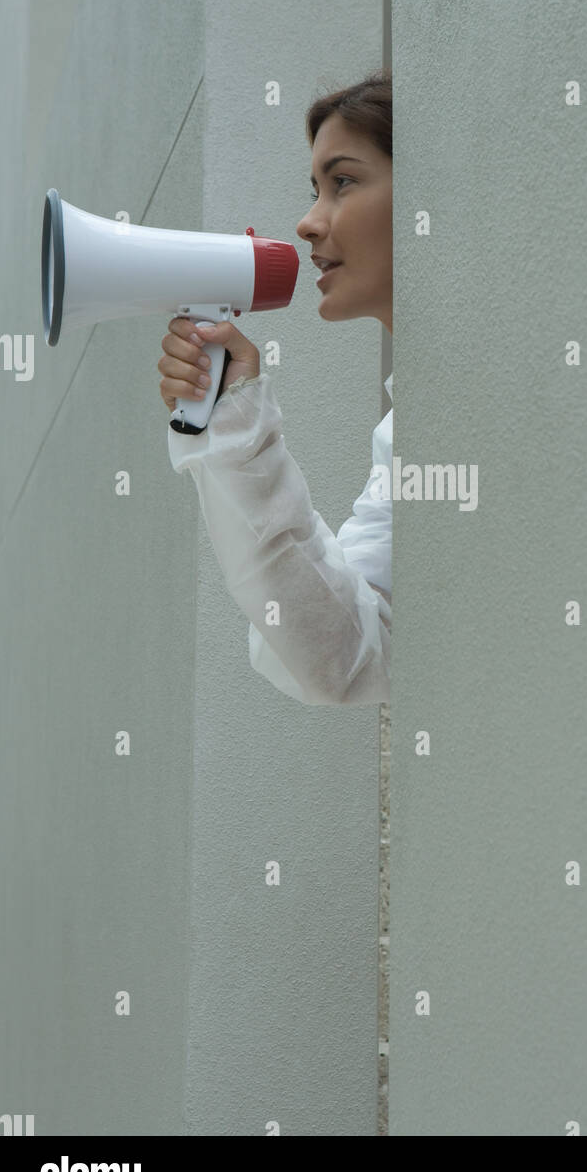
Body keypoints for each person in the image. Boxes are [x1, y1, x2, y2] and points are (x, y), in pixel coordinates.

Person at [160, 70, 393, 705]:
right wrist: (233, 426)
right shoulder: (406, 434)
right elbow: (341, 657)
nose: (308, 223)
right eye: (315, 189)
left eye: (341, 182)